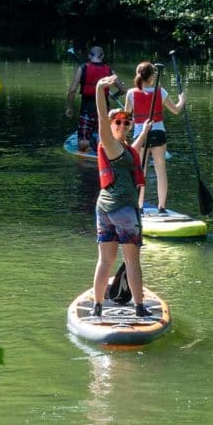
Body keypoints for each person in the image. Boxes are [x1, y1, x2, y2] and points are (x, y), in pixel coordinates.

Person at [91, 75, 153, 318]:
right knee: (131, 261)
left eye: (127, 122)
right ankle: (139, 308)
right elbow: (101, 121)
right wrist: (99, 88)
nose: (123, 126)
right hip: (124, 210)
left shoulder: (122, 149)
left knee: (105, 260)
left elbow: (132, 153)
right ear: (110, 124)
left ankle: (97, 307)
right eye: (118, 122)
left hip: (104, 207)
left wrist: (144, 132)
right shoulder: (108, 142)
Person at [124, 61, 186, 214]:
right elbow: (176, 110)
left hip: (141, 134)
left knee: (141, 171)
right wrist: (182, 100)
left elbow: (127, 119)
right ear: (152, 76)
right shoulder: (161, 91)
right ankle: (161, 207)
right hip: (158, 133)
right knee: (160, 170)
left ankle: (139, 207)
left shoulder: (131, 93)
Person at [65, 46, 127, 152]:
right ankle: (101, 142)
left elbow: (72, 90)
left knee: (82, 144)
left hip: (87, 110)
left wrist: (69, 107)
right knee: (105, 135)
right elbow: (123, 90)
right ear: (102, 56)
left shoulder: (83, 68)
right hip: (104, 111)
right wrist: (115, 95)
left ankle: (89, 142)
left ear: (89, 56)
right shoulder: (109, 70)